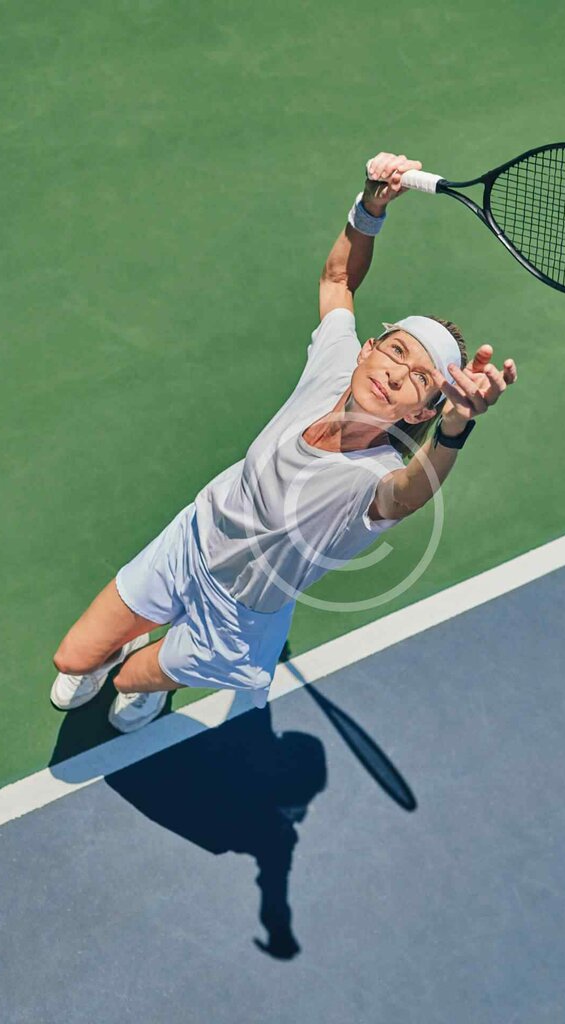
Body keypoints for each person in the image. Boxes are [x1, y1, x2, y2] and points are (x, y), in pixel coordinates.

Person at [50, 151, 517, 732]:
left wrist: (458, 425)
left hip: (238, 616)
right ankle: (141, 633)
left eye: (420, 379)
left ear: (424, 408)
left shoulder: (371, 480)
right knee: (72, 659)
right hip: (195, 537)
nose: (397, 373)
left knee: (128, 682)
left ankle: (153, 679)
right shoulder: (336, 361)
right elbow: (339, 279)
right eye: (396, 350)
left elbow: (410, 493)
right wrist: (369, 208)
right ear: (369, 347)